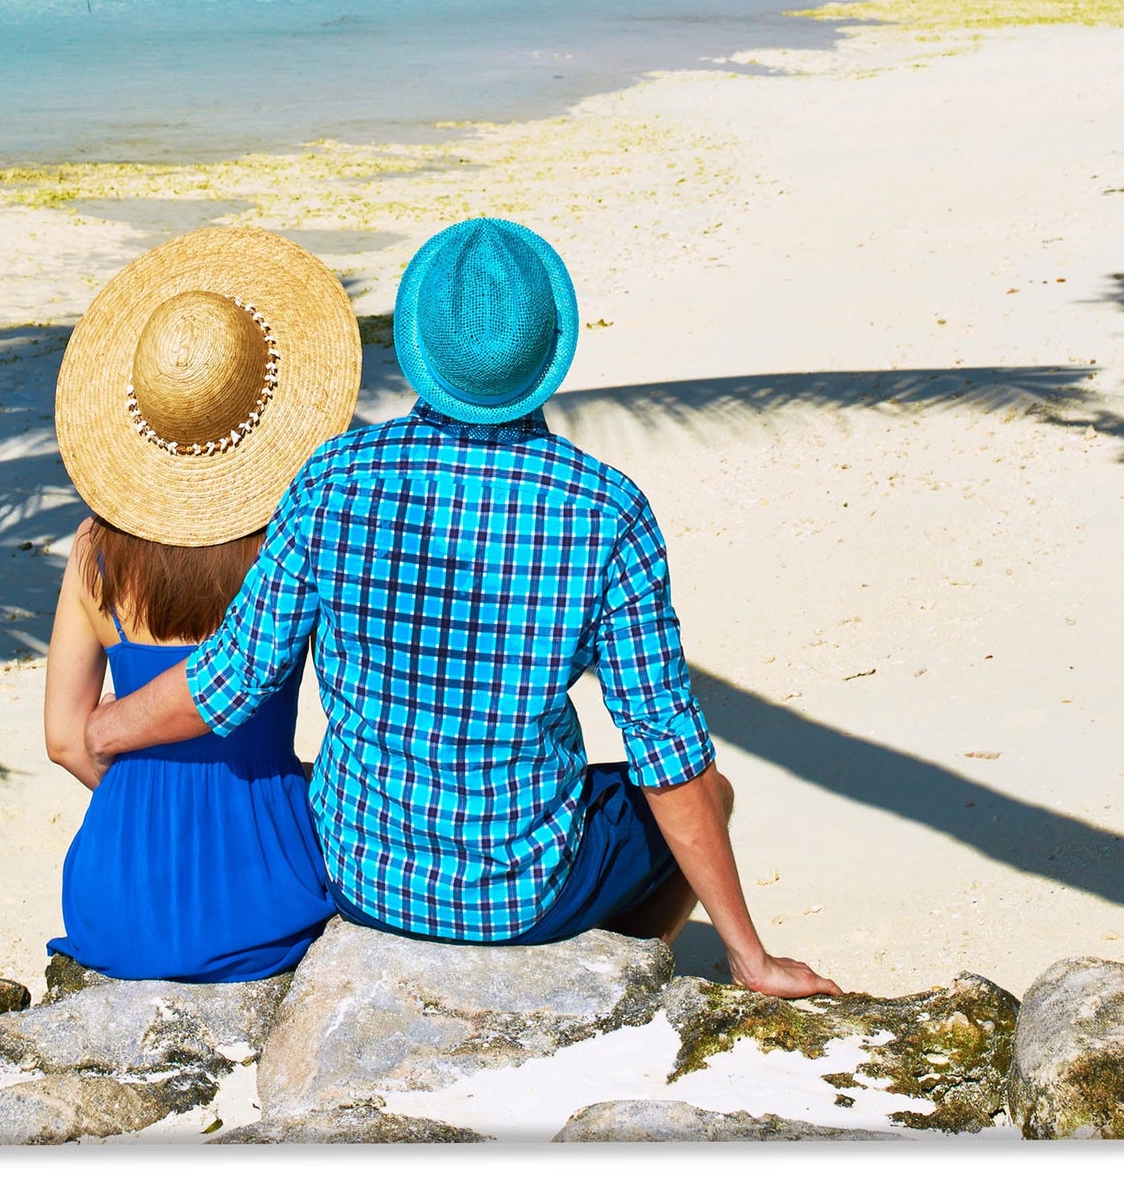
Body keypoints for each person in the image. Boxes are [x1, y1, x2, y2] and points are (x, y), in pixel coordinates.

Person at [84, 217, 838, 998]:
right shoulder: (607, 511)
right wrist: (750, 955)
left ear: (419, 349)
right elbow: (666, 754)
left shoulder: (333, 478)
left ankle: (614, 972)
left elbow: (234, 675)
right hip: (522, 894)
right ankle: (626, 970)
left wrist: (107, 727)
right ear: (548, 353)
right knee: (712, 793)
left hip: (362, 873)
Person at [41, 226, 363, 981]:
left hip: (114, 899)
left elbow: (64, 740)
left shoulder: (95, 550)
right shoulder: (288, 542)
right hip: (264, 891)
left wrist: (150, 797)